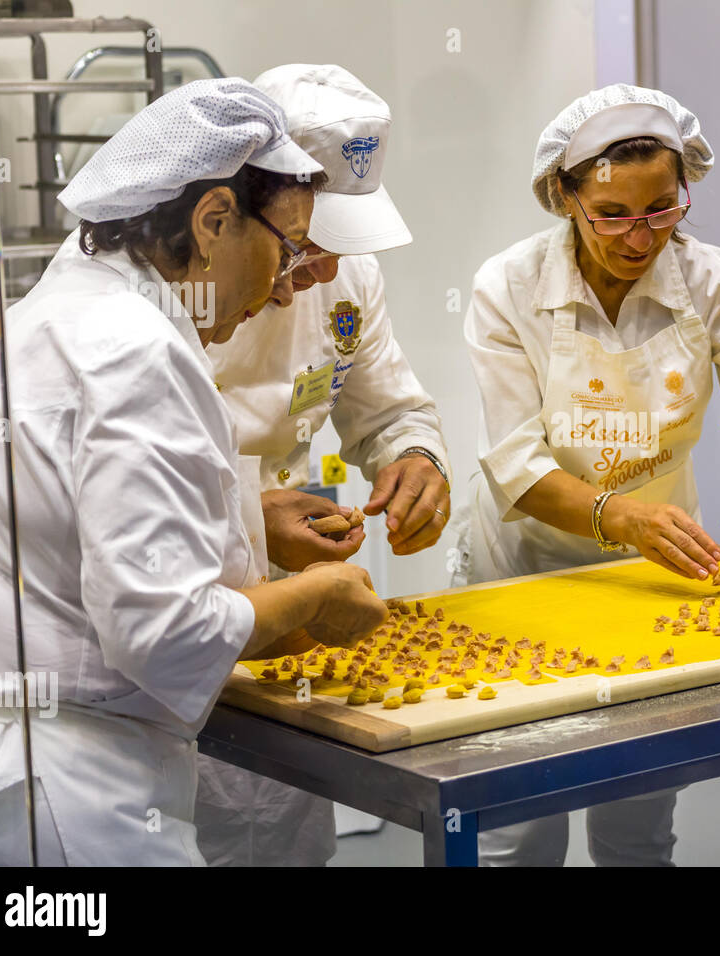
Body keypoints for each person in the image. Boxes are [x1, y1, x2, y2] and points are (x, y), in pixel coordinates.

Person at [0, 79, 387, 866]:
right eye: (286, 249)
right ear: (214, 218)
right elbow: (159, 630)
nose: (285, 282)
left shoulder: (55, 315)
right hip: (81, 786)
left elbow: (73, 532)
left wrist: (251, 520)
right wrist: (310, 600)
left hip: (12, 765)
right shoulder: (134, 349)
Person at [453, 84, 720, 865]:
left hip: (656, 578)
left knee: (637, 820)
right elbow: (519, 470)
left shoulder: (709, 277)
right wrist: (621, 516)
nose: (640, 236)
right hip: (526, 577)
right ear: (564, 196)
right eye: (613, 214)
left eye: (663, 209)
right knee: (521, 828)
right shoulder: (509, 288)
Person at [196, 64, 451, 867]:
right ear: (244, 210)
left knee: (280, 831)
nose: (326, 270)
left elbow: (386, 406)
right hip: (185, 591)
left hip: (277, 611)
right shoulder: (179, 293)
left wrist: (414, 459)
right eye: (306, 244)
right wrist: (248, 520)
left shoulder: (345, 279)